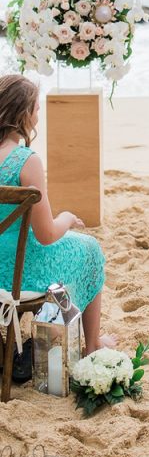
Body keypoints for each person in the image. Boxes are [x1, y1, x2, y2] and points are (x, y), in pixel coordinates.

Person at [0, 75, 113, 354]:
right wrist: (67, 217)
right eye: (37, 109)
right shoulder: (26, 161)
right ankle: (92, 344)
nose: (38, 116)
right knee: (90, 248)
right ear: (23, 113)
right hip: (15, 272)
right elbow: (47, 234)